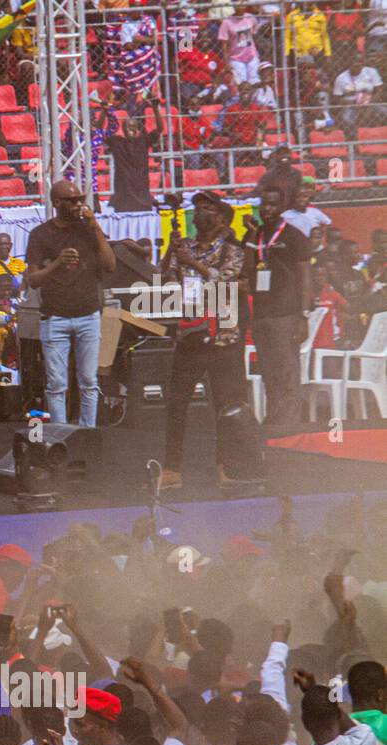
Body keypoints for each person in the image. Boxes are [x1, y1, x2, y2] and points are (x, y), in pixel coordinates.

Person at [156, 191, 251, 491]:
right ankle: (172, 468)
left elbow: (228, 283)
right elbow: (166, 281)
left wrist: (193, 264)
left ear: (222, 219)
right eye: (197, 207)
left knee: (225, 405)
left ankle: (226, 466)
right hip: (191, 335)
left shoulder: (233, 249)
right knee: (176, 403)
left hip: (224, 337)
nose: (200, 212)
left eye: (208, 208)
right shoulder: (183, 245)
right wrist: (170, 259)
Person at [25, 180, 116, 428]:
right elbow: (32, 280)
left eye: (80, 199)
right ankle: (60, 434)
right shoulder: (41, 234)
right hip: (56, 316)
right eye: (72, 200)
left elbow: (110, 266)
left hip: (88, 314)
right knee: (56, 384)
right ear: (57, 203)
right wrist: (56, 264)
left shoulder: (88, 231)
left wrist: (95, 225)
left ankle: (88, 432)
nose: (78, 204)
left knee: (89, 380)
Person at [244, 187, 311, 431]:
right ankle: (274, 419)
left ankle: (291, 423)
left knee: (286, 368)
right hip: (262, 312)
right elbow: (247, 270)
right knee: (267, 369)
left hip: (287, 313)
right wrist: (251, 236)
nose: (267, 209)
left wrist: (304, 316)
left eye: (273, 204)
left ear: (282, 207)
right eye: (264, 204)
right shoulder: (257, 234)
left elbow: (305, 277)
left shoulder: (294, 236)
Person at [107, 98, 164, 213]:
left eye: (133, 127)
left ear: (137, 129)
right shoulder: (117, 142)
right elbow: (100, 132)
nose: (130, 129)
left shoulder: (143, 140)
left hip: (141, 192)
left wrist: (155, 109)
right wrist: (105, 112)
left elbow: (160, 129)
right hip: (123, 194)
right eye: (127, 127)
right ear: (122, 129)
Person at [333, 51, 387, 134]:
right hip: (351, 105)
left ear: (363, 62)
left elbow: (379, 89)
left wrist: (370, 103)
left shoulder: (371, 71)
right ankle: (354, 138)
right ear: (349, 63)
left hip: (371, 102)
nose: (357, 64)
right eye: (354, 61)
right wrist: (353, 102)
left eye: (360, 61)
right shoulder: (341, 78)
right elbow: (336, 99)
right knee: (346, 119)